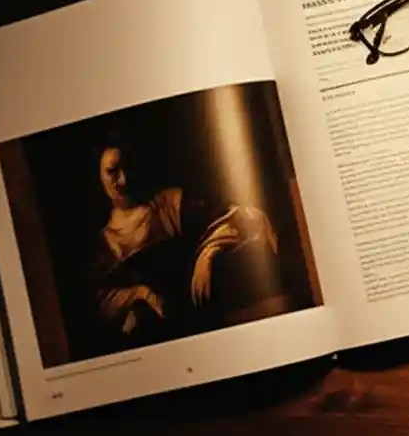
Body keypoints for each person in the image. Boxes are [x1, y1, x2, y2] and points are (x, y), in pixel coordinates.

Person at [89, 141, 281, 350]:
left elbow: (230, 215)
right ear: (99, 175)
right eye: (112, 172)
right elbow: (102, 302)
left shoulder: (169, 204)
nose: (123, 179)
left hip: (202, 310)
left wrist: (207, 254)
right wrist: (142, 293)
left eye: (127, 168)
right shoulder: (105, 242)